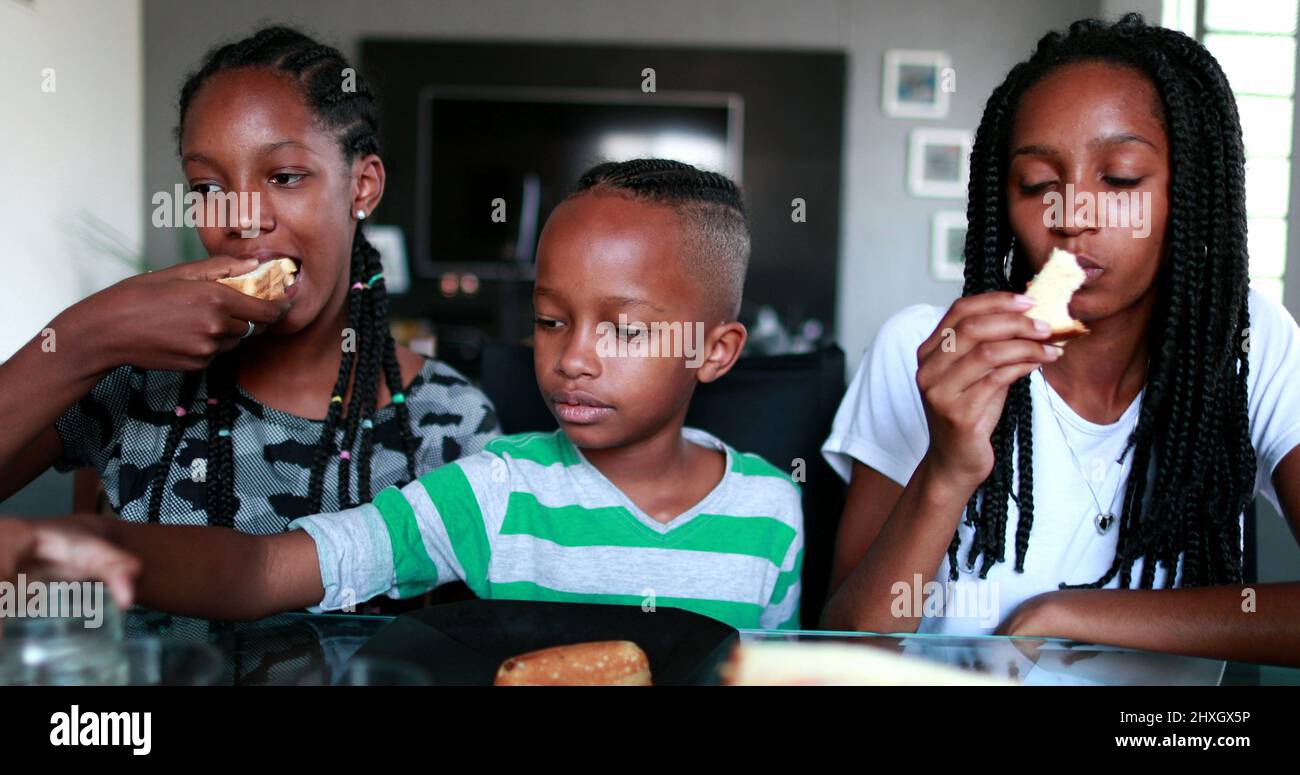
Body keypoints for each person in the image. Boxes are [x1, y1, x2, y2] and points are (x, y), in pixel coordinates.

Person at [20, 160, 804, 631]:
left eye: (624, 330)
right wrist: (47, 550)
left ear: (715, 351)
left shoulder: (771, 509)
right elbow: (268, 571)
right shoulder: (496, 491)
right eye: (551, 320)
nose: (574, 358)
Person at [821, 15, 1300, 666]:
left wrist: (1069, 611)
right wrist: (948, 470)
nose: (1072, 215)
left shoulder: (1247, 344)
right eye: (1039, 184)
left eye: (1121, 178)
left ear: (1189, 191)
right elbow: (846, 649)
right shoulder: (926, 348)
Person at [0, 27, 498, 535]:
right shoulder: (132, 381)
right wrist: (86, 335)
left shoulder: (448, 423)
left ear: (362, 187)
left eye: (283, 177)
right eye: (209, 187)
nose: (241, 218)